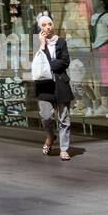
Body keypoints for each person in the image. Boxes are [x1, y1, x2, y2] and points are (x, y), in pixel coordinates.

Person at [32, 13, 73, 161]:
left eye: (49, 24)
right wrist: (42, 46)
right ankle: (50, 137)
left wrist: (50, 63)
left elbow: (65, 62)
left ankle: (64, 149)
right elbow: (36, 64)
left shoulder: (61, 42)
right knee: (46, 117)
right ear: (40, 28)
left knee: (64, 119)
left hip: (61, 84)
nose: (48, 27)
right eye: (44, 25)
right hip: (44, 86)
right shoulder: (37, 45)